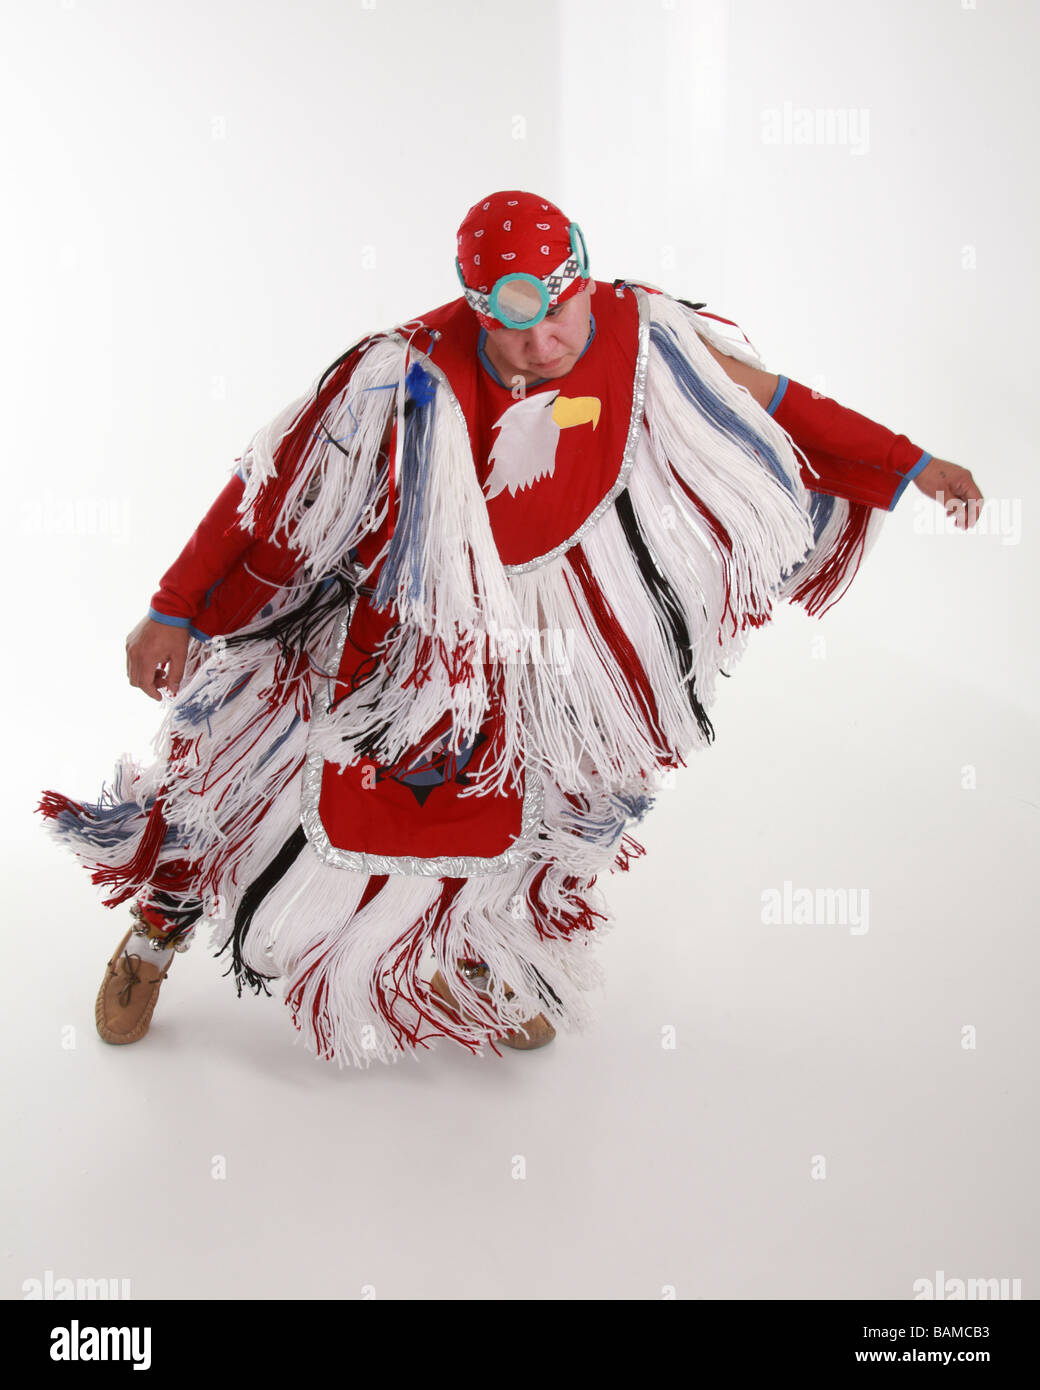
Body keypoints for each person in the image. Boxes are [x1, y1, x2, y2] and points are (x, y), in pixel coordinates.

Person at [38, 189, 984, 1068]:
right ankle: (157, 929)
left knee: (518, 809)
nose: (543, 347)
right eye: (513, 328)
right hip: (387, 633)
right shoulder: (401, 374)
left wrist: (911, 464)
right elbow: (269, 500)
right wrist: (172, 607)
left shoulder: (642, 333)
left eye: (559, 315)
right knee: (245, 787)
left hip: (535, 646)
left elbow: (774, 404)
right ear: (476, 311)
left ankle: (473, 949)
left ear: (585, 279)